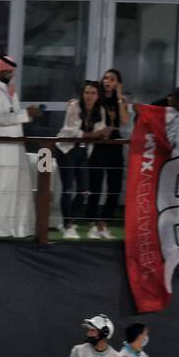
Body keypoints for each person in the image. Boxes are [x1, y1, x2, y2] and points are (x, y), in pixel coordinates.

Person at [0, 55, 41, 238]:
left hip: (14, 148)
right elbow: (0, 118)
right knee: (0, 188)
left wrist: (25, 114)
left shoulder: (10, 91)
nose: (9, 74)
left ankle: (17, 229)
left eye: (11, 71)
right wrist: (26, 114)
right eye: (6, 70)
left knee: (18, 189)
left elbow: (13, 116)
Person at [55, 80, 109, 239]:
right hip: (66, 150)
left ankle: (67, 220)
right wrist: (93, 135)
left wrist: (100, 134)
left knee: (85, 190)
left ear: (98, 95)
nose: (89, 96)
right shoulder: (74, 106)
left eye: (93, 93)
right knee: (67, 188)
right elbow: (70, 131)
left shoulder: (101, 110)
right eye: (87, 92)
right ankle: (68, 225)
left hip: (83, 151)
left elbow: (102, 131)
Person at [87, 68, 130, 237]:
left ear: (117, 83)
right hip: (98, 141)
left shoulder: (121, 99)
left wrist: (119, 97)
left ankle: (103, 223)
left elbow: (125, 121)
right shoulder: (96, 96)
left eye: (112, 79)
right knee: (95, 184)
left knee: (115, 185)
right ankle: (91, 223)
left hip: (115, 141)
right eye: (105, 78)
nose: (107, 81)